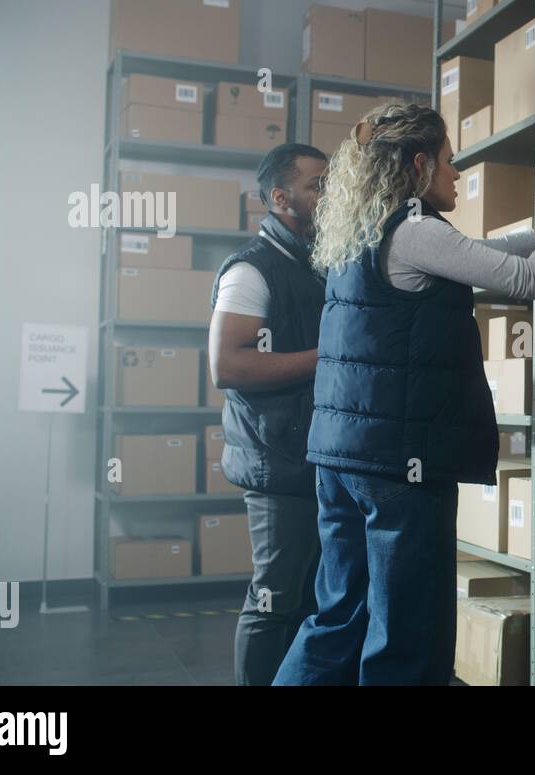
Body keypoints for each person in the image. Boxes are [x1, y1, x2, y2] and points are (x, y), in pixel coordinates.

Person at [273, 103, 535, 685]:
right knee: (408, 632)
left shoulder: (364, 230)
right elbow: (530, 280)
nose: (457, 174)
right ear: (420, 163)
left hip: (341, 458)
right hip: (397, 468)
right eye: (452, 162)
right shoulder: (415, 230)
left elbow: (482, 252)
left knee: (340, 617)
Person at [208, 142, 329, 686]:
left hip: (313, 456)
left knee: (311, 600)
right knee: (274, 599)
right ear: (281, 198)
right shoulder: (251, 270)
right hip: (275, 463)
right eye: (316, 186)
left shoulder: (315, 263)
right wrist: (326, 358)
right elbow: (228, 365)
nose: (328, 195)